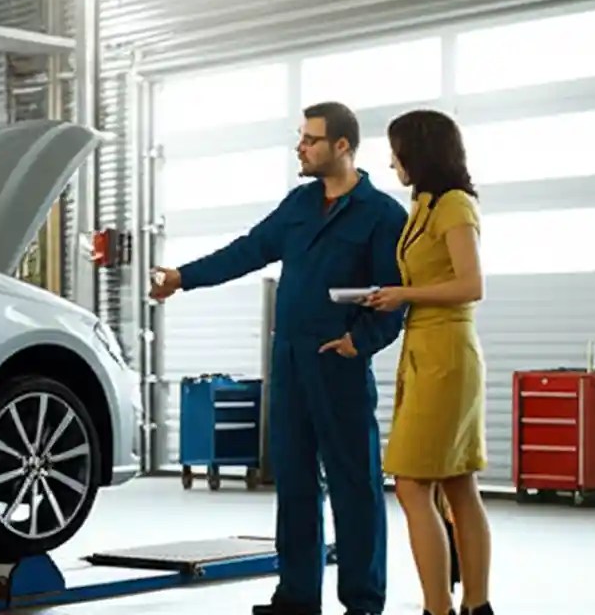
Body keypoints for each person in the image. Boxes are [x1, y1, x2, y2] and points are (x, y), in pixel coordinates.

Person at [150, 102, 408, 615]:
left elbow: (394, 294)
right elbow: (248, 250)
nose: (300, 147)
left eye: (310, 139)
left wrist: (362, 342)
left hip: (339, 361)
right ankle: (296, 596)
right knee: (292, 482)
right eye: (301, 137)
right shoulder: (298, 205)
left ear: (341, 146)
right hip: (289, 361)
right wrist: (184, 277)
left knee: (354, 485)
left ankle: (362, 602)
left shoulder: (382, 214)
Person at [362, 109, 494, 615]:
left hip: (446, 353)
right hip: (425, 349)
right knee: (457, 481)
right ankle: (475, 606)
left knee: (414, 483)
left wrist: (404, 294)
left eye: (396, 148)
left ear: (418, 152)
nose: (391, 158)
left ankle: (438, 607)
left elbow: (471, 284)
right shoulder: (424, 206)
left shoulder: (455, 206)